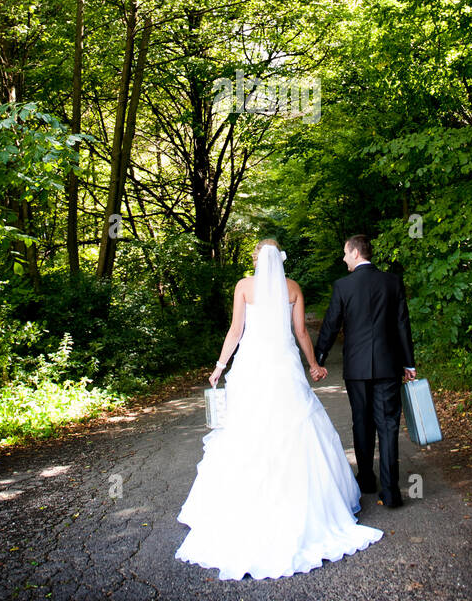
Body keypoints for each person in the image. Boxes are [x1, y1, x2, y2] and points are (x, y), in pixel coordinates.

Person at [175, 239, 383, 580]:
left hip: (252, 368)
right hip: (284, 366)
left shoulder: (244, 287)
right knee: (294, 428)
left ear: (258, 258)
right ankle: (307, 510)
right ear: (280, 259)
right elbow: (301, 331)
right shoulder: (292, 288)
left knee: (249, 431)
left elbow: (235, 331)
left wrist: (219, 366)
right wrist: (314, 364)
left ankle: (240, 513)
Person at [315, 234, 416, 508]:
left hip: (357, 368)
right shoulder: (392, 282)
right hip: (388, 365)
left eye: (346, 254)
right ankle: (392, 491)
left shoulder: (343, 286)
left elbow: (331, 324)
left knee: (362, 422)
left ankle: (367, 480)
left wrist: (319, 358)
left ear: (356, 253)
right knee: (388, 424)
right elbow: (402, 325)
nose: (343, 258)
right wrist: (409, 363)